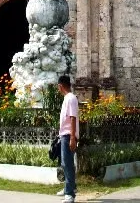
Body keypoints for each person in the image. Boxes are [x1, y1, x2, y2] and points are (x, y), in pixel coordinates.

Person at [56, 75, 78, 203]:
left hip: (68, 135)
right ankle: (70, 187)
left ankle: (70, 194)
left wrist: (72, 137)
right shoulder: (67, 98)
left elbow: (73, 118)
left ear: (60, 86)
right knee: (66, 163)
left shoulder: (70, 98)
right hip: (64, 134)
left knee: (67, 164)